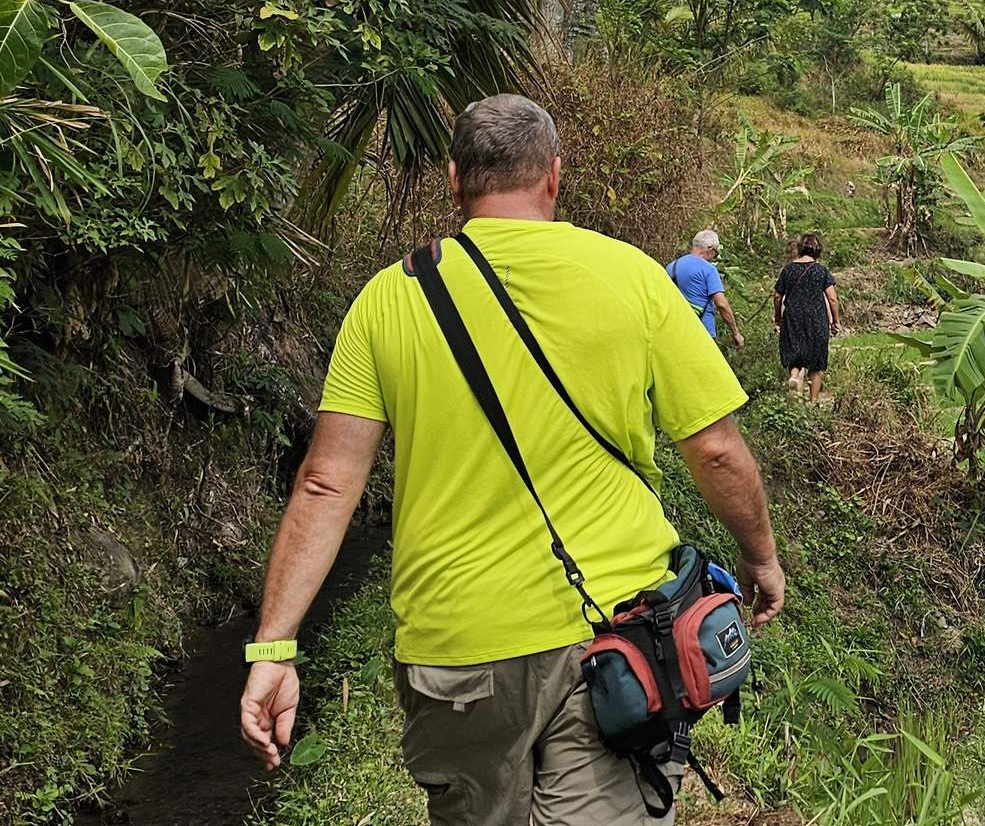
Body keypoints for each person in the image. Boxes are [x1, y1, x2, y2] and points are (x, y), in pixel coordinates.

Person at [238, 94, 786, 826]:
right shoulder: (630, 276)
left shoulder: (388, 299)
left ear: (453, 179)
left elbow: (325, 483)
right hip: (614, 633)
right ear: (554, 175)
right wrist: (760, 558)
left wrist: (273, 648)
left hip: (458, 650)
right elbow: (714, 449)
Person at [774, 232, 841, 403]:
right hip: (816, 318)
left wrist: (778, 318)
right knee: (816, 363)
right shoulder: (821, 270)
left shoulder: (788, 269)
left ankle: (794, 378)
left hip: (793, 317)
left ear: (800, 248)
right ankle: (813, 401)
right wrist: (836, 321)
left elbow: (777, 296)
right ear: (818, 250)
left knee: (795, 355)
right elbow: (832, 298)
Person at [664, 229, 744, 349]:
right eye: (716, 253)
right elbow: (721, 304)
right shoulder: (708, 270)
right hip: (702, 333)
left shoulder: (671, 267)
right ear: (710, 249)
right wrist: (736, 332)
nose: (714, 257)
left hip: (674, 331)